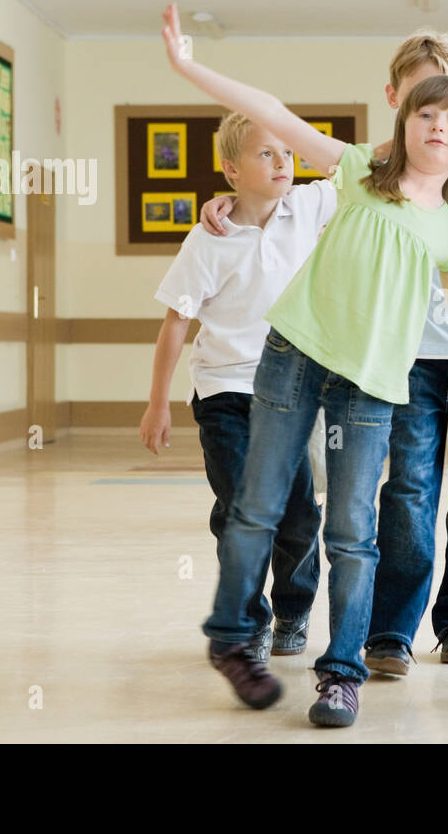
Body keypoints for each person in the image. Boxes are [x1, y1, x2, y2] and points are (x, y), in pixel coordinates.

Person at [159, 3, 448, 727]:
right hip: (295, 357)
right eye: (425, 109)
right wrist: (189, 70)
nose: (437, 123)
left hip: (375, 381)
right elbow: (273, 120)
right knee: (268, 505)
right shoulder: (362, 170)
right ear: (399, 115)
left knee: (358, 527)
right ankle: (242, 638)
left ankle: (345, 669)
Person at [139, 113, 331, 666]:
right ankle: (251, 619)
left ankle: (294, 608)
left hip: (290, 392)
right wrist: (158, 404)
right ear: (230, 170)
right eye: (265, 154)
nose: (282, 163)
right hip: (223, 392)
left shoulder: (308, 208)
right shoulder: (208, 238)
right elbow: (176, 321)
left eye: (287, 153)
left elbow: (367, 166)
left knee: (297, 511)